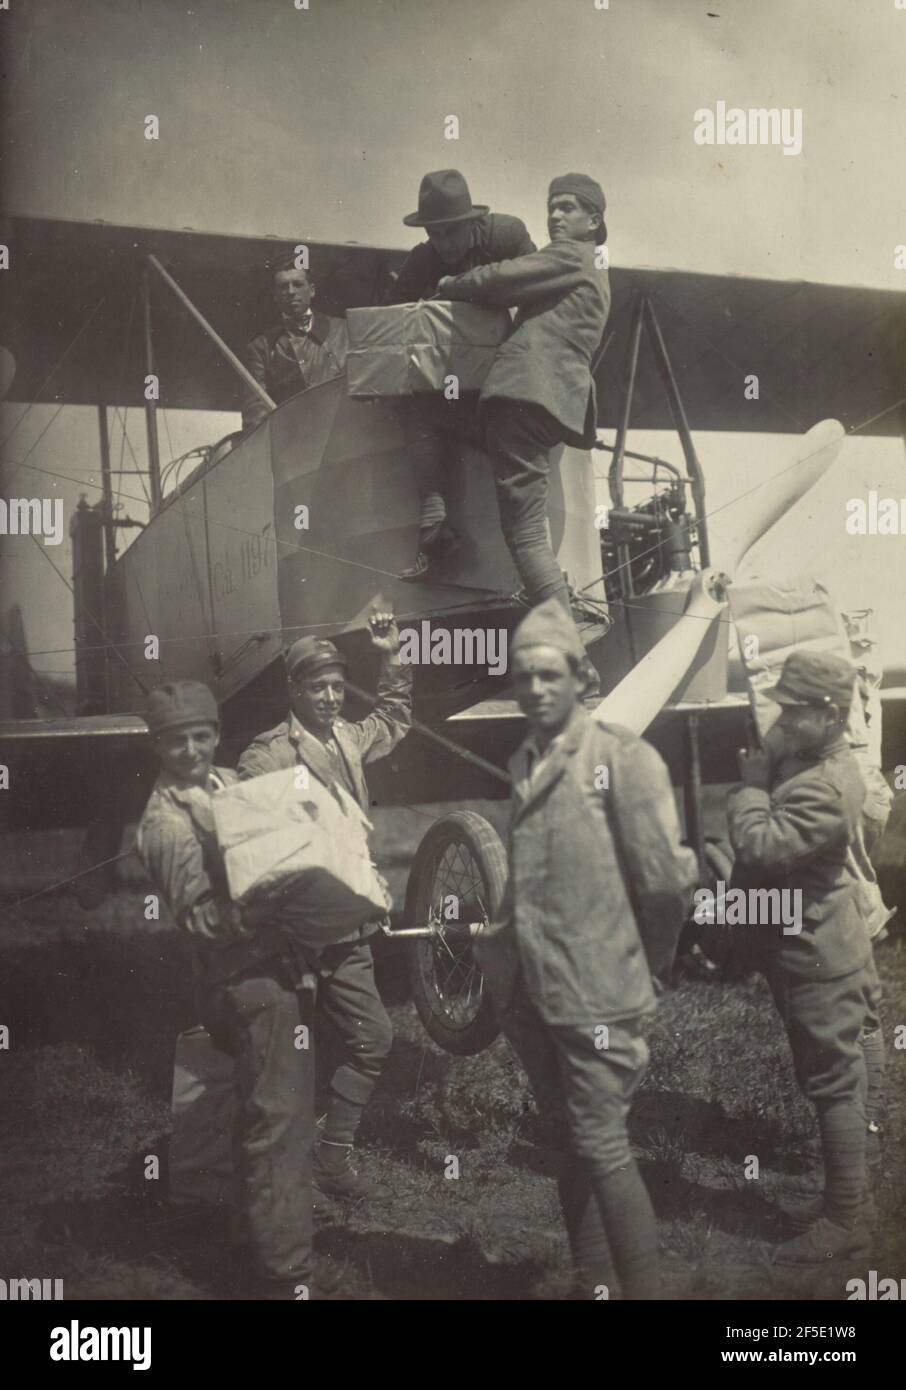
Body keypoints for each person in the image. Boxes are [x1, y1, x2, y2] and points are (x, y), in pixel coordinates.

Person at [475, 599, 697, 1299]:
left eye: (550, 674)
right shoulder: (525, 761)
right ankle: (594, 1283)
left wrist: (650, 967)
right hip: (534, 991)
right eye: (523, 676)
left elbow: (664, 886)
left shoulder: (622, 759)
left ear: (578, 676)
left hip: (599, 993)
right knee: (565, 1140)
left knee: (602, 1146)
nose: (536, 688)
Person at [135, 680, 322, 1299]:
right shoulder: (165, 824)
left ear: (216, 734)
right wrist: (276, 899)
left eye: (201, 735)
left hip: (271, 970)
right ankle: (286, 1277)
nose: (191, 750)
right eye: (176, 740)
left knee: (259, 1109)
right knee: (280, 1119)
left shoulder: (228, 784)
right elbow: (203, 921)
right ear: (156, 744)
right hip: (239, 981)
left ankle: (249, 1242)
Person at [237, 612, 411, 1200]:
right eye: (318, 688)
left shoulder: (346, 738)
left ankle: (331, 1162)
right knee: (279, 1055)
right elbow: (250, 845)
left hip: (348, 928)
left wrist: (390, 655)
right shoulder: (269, 757)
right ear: (294, 690)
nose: (332, 698)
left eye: (337, 686)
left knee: (372, 1038)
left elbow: (393, 718)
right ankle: (257, 1174)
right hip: (292, 935)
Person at [728, 650, 878, 1267]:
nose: (781, 721)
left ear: (833, 714)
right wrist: (773, 754)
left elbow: (761, 848)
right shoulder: (813, 753)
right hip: (824, 940)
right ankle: (858, 1194)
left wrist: (750, 788)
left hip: (815, 952)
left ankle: (846, 1219)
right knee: (849, 1058)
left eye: (794, 711)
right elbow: (780, 741)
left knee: (832, 1082)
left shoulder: (827, 785)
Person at [432, 173, 611, 614]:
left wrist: (449, 284)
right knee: (525, 526)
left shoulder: (572, 254)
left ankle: (563, 640)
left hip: (524, 393)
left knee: (525, 534)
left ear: (593, 221)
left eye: (567, 207)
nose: (555, 216)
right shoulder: (595, 266)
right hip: (549, 400)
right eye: (552, 207)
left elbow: (500, 278)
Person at [387, 170, 536, 580]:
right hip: (457, 381)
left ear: (473, 221)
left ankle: (527, 553)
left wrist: (468, 288)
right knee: (411, 404)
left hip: (512, 369)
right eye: (434, 234)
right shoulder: (422, 260)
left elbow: (541, 291)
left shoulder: (508, 236)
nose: (444, 243)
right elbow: (391, 323)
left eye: (452, 232)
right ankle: (434, 516)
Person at [241, 256, 348, 432]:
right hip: (292, 439)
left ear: (311, 290)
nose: (290, 292)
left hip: (343, 434)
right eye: (283, 287)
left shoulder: (346, 332)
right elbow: (256, 412)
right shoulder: (261, 347)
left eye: (298, 285)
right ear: (275, 296)